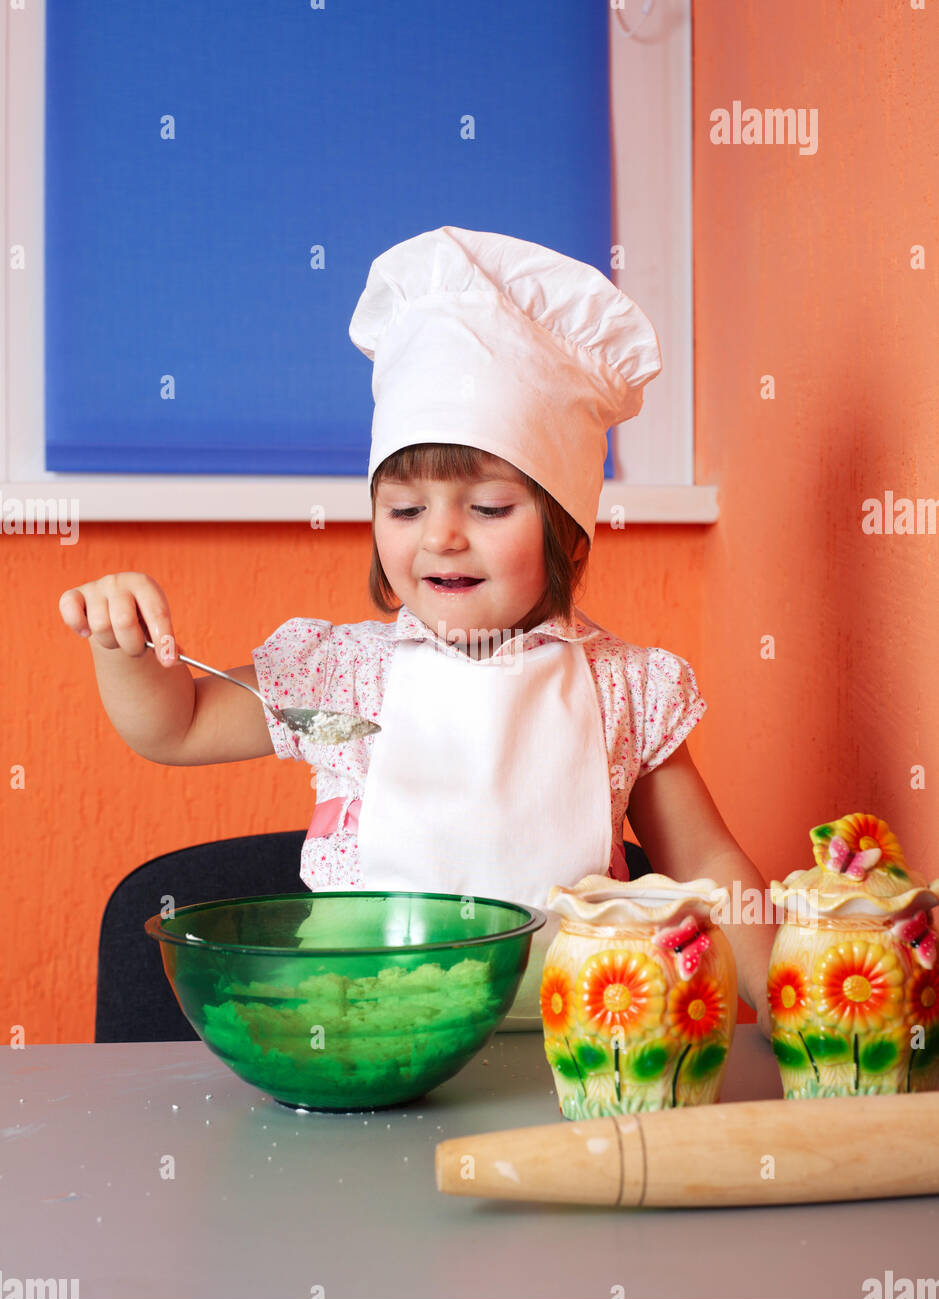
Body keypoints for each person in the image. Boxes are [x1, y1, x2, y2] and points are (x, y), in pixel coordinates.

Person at [59, 226, 775, 1037]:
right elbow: (176, 725)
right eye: (404, 509)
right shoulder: (343, 675)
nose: (439, 536)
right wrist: (120, 644)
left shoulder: (629, 690)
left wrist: (782, 999)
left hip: (572, 1042)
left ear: (567, 531)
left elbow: (707, 866)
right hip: (362, 1034)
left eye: (489, 507)